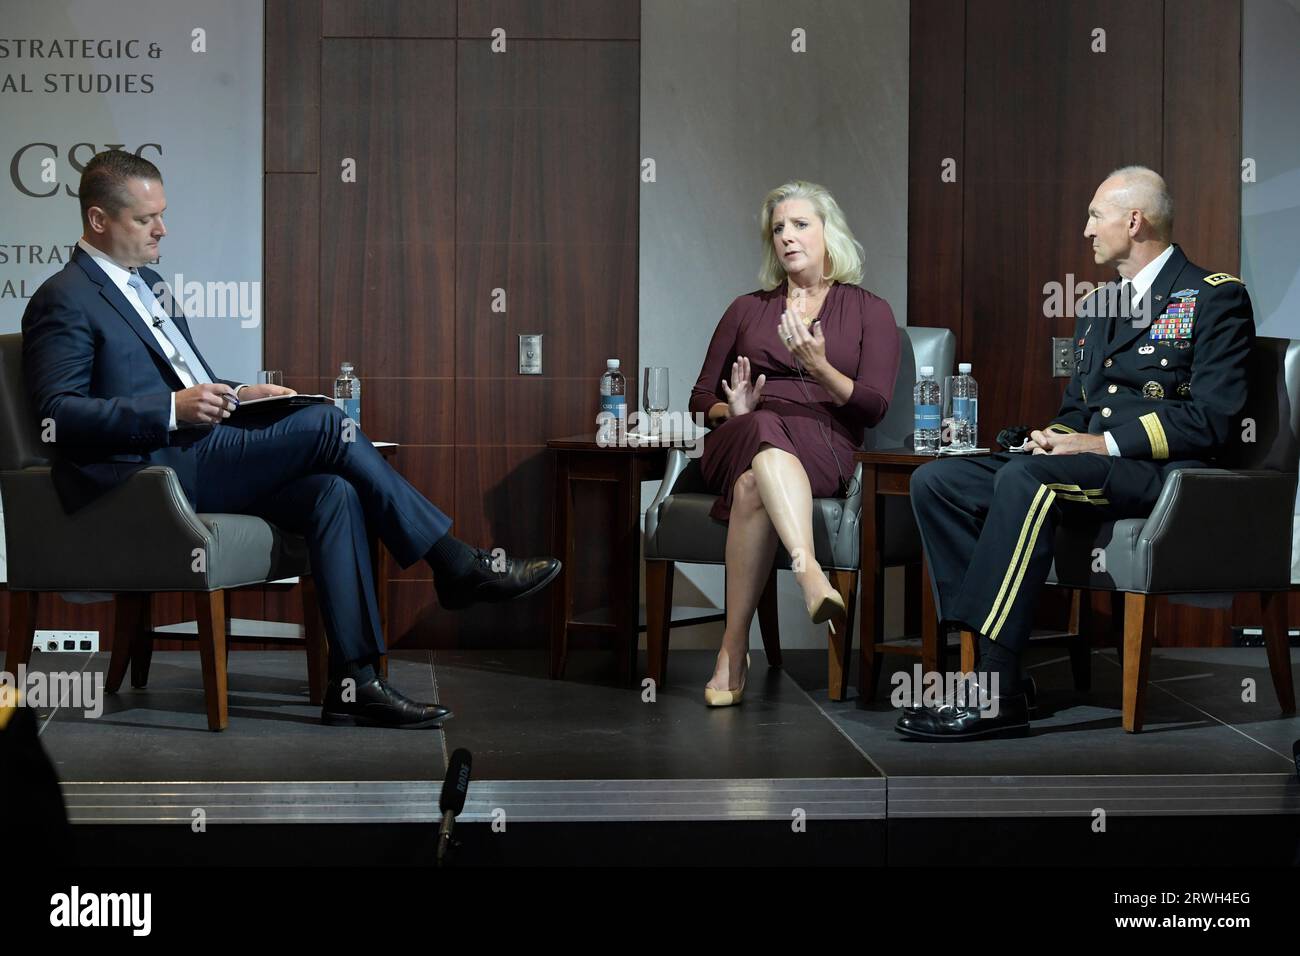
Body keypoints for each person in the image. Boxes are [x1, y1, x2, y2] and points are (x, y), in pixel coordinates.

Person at [21, 150, 561, 730]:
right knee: (330, 424)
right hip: (148, 477)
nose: (162, 228)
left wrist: (235, 390)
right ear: (99, 220)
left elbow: (184, 378)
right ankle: (454, 562)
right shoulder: (64, 297)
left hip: (198, 451)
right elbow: (58, 413)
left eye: (163, 214)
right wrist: (169, 409)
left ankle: (356, 680)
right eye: (144, 218)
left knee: (333, 491)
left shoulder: (149, 284)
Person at [898, 166, 1255, 740]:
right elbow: (1078, 410)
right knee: (938, 483)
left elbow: (1214, 420)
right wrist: (1051, 436)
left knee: (1025, 482)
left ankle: (996, 687)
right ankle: (993, 672)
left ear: (1134, 221)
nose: (1086, 229)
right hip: (1092, 464)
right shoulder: (1096, 307)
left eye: (1094, 215)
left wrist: (1102, 443)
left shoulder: (1215, 297)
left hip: (1158, 475)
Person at [688, 180, 900, 707]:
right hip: (743, 429)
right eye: (778, 228)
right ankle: (808, 572)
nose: (787, 236)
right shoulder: (745, 308)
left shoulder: (870, 310)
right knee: (759, 428)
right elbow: (699, 399)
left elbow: (873, 405)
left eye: (800, 224)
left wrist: (819, 367)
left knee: (754, 485)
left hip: (824, 443)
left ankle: (733, 652)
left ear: (830, 233)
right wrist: (730, 411)